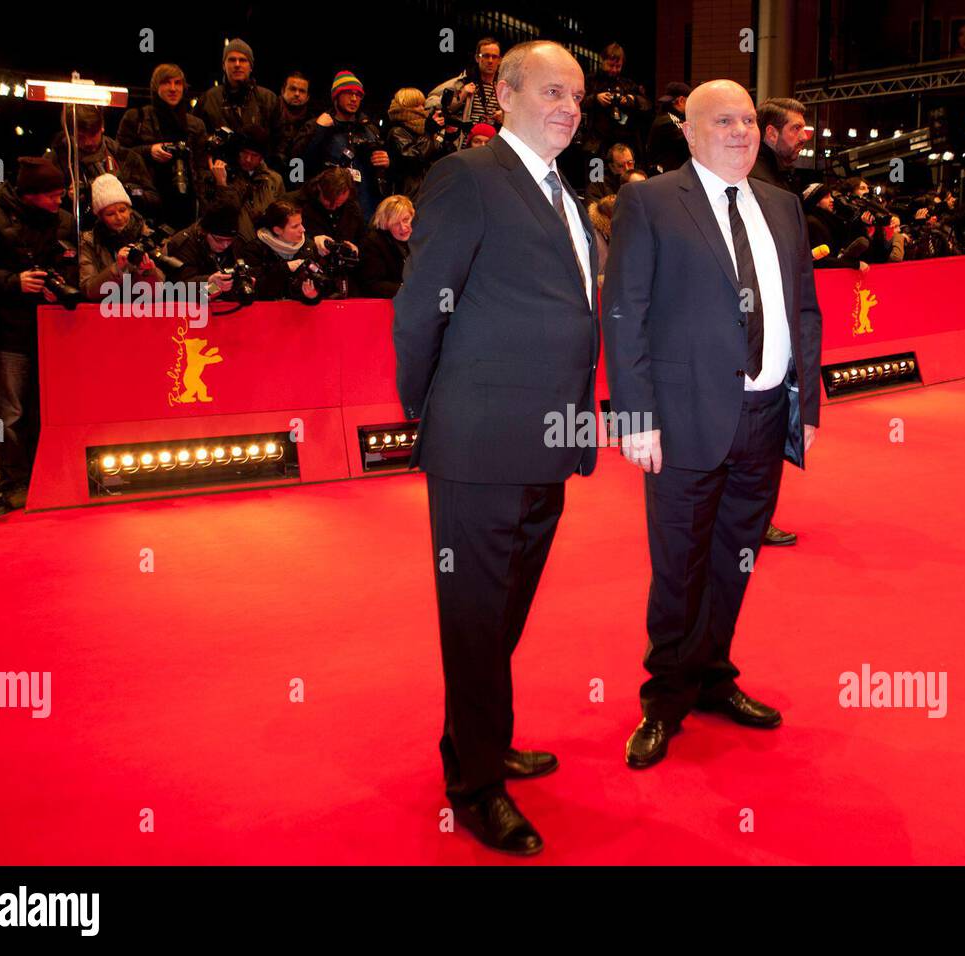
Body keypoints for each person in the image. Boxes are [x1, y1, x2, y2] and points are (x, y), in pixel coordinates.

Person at [392, 39, 599, 856]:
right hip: (479, 445)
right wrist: (432, 411)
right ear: (503, 92)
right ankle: (475, 784)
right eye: (553, 91)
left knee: (503, 612)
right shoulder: (467, 177)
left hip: (549, 443)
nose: (569, 108)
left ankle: (478, 737)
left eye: (578, 98)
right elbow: (419, 310)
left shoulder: (563, 193)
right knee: (476, 615)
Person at [602, 79, 821, 770]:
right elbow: (624, 313)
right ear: (691, 133)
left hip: (764, 417)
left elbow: (805, 313)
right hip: (683, 420)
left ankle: (712, 677)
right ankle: (664, 697)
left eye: (750, 120)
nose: (740, 131)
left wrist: (804, 406)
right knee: (680, 568)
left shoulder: (785, 207)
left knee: (736, 560)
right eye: (722, 120)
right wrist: (635, 417)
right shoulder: (650, 200)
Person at [0, 157, 77, 509]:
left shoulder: (65, 222)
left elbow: (71, 265)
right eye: (52, 195)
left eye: (61, 193)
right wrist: (13, 281)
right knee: (11, 413)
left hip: (53, 332)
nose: (59, 200)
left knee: (49, 409)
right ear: (29, 195)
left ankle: (50, 475)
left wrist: (60, 285)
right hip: (8, 335)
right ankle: (13, 480)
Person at [750, 96, 816, 547]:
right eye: (794, 129)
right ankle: (749, 519)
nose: (803, 137)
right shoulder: (758, 184)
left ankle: (752, 517)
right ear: (770, 134)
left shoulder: (780, 187)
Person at [115, 63, 208, 230]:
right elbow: (118, 154)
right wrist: (149, 151)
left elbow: (202, 170)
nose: (173, 88)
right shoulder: (136, 118)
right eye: (166, 82)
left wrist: (203, 207)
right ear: (155, 87)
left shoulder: (196, 125)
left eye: (178, 83)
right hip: (147, 202)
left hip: (186, 207)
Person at [294, 71, 389, 221]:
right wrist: (320, 131)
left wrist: (385, 163)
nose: (354, 99)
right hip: (329, 210)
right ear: (336, 97)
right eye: (348, 93)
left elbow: (383, 175)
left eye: (358, 95)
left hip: (367, 209)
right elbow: (297, 166)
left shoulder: (369, 129)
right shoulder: (316, 125)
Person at [78, 174, 166, 299]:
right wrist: (117, 269)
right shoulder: (89, 242)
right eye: (110, 214)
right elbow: (88, 290)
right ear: (100, 216)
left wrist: (147, 273)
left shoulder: (149, 237)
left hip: (142, 311)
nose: (119, 217)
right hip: (105, 312)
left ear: (130, 209)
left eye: (122, 210)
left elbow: (160, 293)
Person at [195, 38, 282, 155]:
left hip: (259, 170)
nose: (237, 64)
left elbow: (280, 141)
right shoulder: (208, 99)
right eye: (232, 60)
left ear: (251, 66)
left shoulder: (269, 99)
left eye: (243, 60)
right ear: (223, 66)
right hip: (218, 169)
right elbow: (197, 139)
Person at [200, 124, 285, 242]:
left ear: (262, 157)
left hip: (265, 245)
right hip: (231, 245)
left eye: (254, 155)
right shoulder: (222, 175)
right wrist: (221, 184)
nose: (248, 159)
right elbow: (216, 216)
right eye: (244, 153)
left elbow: (281, 218)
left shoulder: (274, 180)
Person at [581, 42, 651, 159]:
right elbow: (577, 103)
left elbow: (648, 105)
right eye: (610, 65)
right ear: (602, 61)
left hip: (625, 146)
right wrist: (595, 99)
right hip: (596, 146)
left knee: (624, 177)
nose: (614, 70)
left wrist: (633, 100)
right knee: (596, 176)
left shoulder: (627, 84)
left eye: (618, 66)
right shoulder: (590, 81)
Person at [384, 88, 455, 199]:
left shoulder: (424, 130)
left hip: (429, 192)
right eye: (417, 105)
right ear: (405, 107)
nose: (422, 109)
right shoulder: (397, 132)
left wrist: (448, 137)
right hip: (408, 196)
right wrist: (428, 132)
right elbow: (415, 158)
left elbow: (441, 158)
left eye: (423, 105)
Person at [247, 199, 321, 302]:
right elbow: (254, 289)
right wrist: (284, 269)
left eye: (301, 223)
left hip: (299, 312)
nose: (303, 229)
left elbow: (320, 283)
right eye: (295, 226)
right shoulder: (256, 249)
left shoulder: (308, 246)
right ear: (277, 230)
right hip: (266, 311)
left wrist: (313, 296)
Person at [358, 194, 412, 298]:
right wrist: (408, 289)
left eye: (406, 219)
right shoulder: (373, 244)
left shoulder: (421, 238)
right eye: (395, 223)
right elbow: (372, 285)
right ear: (386, 224)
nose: (403, 227)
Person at [645, 82, 691, 174]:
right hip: (666, 175)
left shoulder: (665, 116)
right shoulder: (670, 120)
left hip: (667, 174)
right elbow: (690, 141)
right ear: (681, 100)